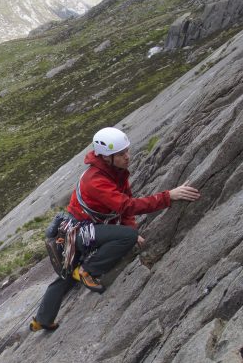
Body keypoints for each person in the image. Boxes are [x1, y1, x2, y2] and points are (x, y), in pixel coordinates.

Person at [30, 127, 201, 332]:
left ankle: (43, 319)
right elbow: (126, 206)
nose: (127, 157)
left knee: (66, 276)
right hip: (78, 231)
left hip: (76, 232)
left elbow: (123, 208)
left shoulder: (115, 172)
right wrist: (167, 197)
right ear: (106, 157)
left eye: (126, 151)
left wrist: (131, 230)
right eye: (121, 154)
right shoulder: (96, 180)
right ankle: (87, 270)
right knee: (119, 242)